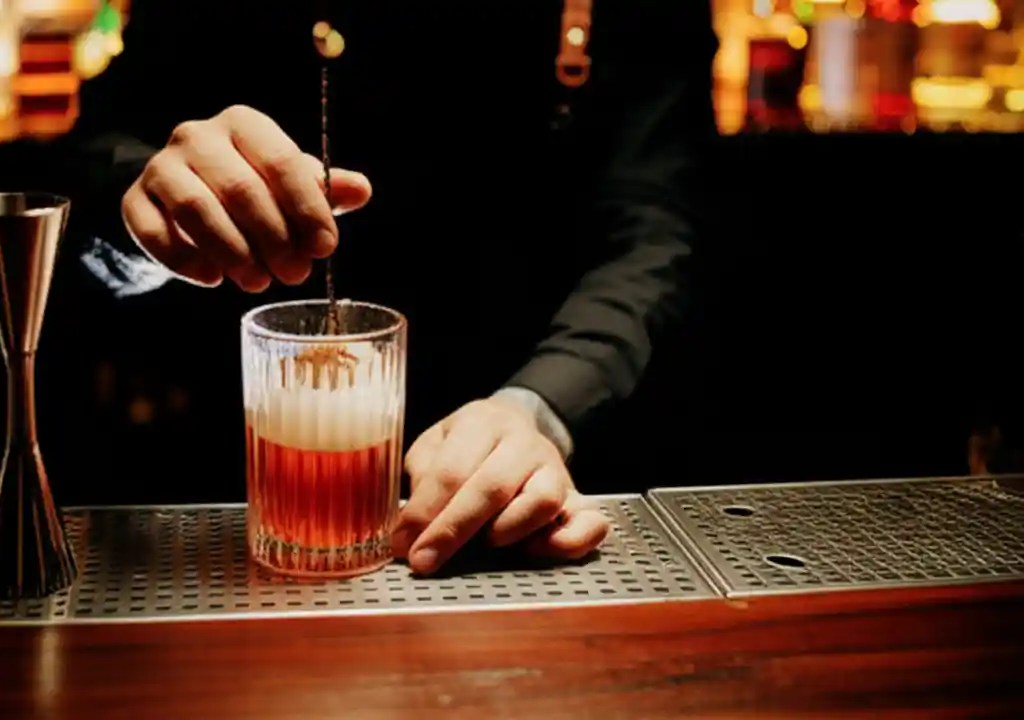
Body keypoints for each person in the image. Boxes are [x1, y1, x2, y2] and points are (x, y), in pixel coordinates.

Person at [63, 0, 718, 574]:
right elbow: (87, 190)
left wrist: (537, 405)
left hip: (518, 486)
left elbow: (658, 232)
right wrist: (146, 214)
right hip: (232, 509)